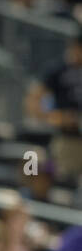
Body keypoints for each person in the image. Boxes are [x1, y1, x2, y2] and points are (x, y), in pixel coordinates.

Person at [24, 38, 82, 182]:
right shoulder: (59, 69)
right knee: (64, 180)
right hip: (67, 138)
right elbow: (33, 100)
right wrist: (52, 117)